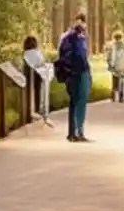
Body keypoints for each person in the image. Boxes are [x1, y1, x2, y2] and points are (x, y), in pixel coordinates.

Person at [57, 13, 92, 142]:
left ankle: (77, 131)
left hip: (78, 72)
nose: (81, 24)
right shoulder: (70, 37)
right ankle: (75, 132)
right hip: (75, 73)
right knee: (76, 101)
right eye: (80, 22)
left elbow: (84, 57)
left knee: (78, 101)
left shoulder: (81, 38)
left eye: (82, 22)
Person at [22, 35, 53, 126]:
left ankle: (31, 111)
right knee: (39, 94)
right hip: (39, 75)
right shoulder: (37, 53)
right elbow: (41, 62)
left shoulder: (25, 53)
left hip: (29, 76)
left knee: (30, 95)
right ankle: (39, 111)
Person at [105, 31, 124, 103]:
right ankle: (121, 96)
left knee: (114, 80)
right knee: (121, 80)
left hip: (115, 65)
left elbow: (111, 56)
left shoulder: (112, 46)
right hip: (123, 66)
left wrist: (110, 64)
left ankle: (113, 95)